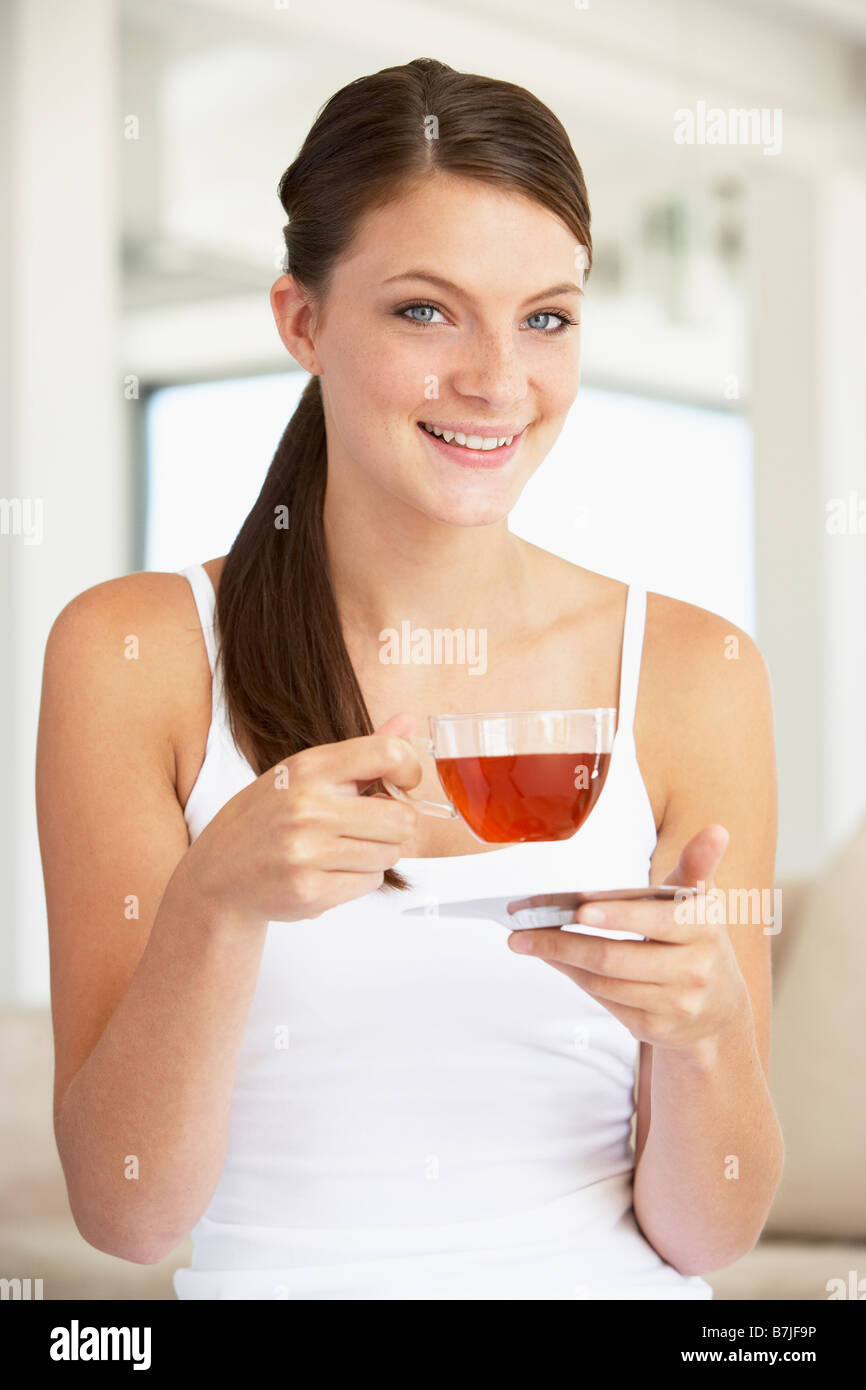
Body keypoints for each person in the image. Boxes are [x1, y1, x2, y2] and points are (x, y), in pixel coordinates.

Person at [36, 57, 783, 1300]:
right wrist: (212, 905)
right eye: (425, 310)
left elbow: (708, 1236)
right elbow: (126, 1212)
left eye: (546, 315)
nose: (497, 379)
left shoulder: (694, 673)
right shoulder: (136, 654)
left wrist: (704, 1039)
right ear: (301, 320)